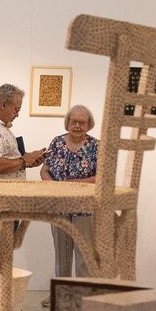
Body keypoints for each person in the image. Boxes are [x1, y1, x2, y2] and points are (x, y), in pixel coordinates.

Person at [41, 104, 98, 278]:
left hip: (85, 207)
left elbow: (102, 178)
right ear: (68, 122)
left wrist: (72, 184)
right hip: (59, 205)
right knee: (61, 255)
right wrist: (55, 186)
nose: (78, 126)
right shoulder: (57, 142)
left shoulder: (95, 145)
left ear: (88, 124)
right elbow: (44, 170)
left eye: (82, 122)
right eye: (74, 122)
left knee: (84, 255)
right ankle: (61, 294)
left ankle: (82, 295)